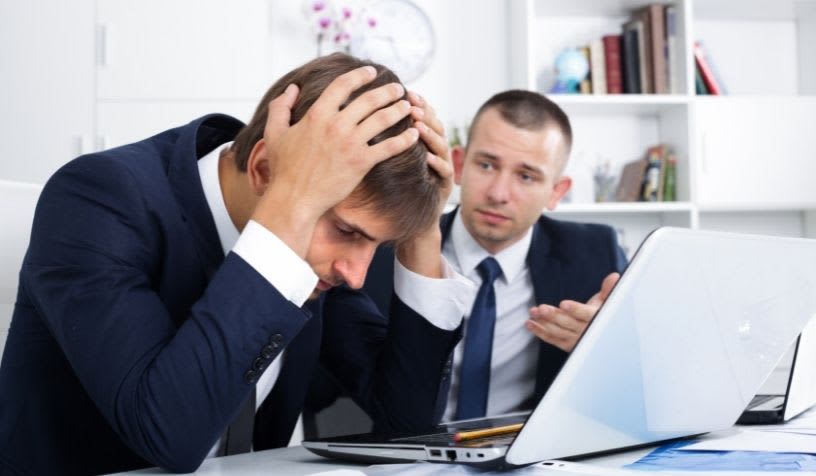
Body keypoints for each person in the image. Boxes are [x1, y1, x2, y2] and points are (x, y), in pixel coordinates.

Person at [0, 53, 473, 475]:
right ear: (265, 171)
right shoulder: (98, 199)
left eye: (380, 244)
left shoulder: (330, 250)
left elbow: (406, 422)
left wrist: (422, 232)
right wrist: (290, 207)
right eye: (348, 232)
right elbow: (171, 437)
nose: (356, 275)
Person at [307, 90, 626, 426]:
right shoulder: (375, 251)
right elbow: (316, 382)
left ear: (556, 192)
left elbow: (638, 386)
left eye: (526, 176)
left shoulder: (595, 252)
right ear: (458, 165)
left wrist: (603, 352)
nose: (498, 194)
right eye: (486, 165)